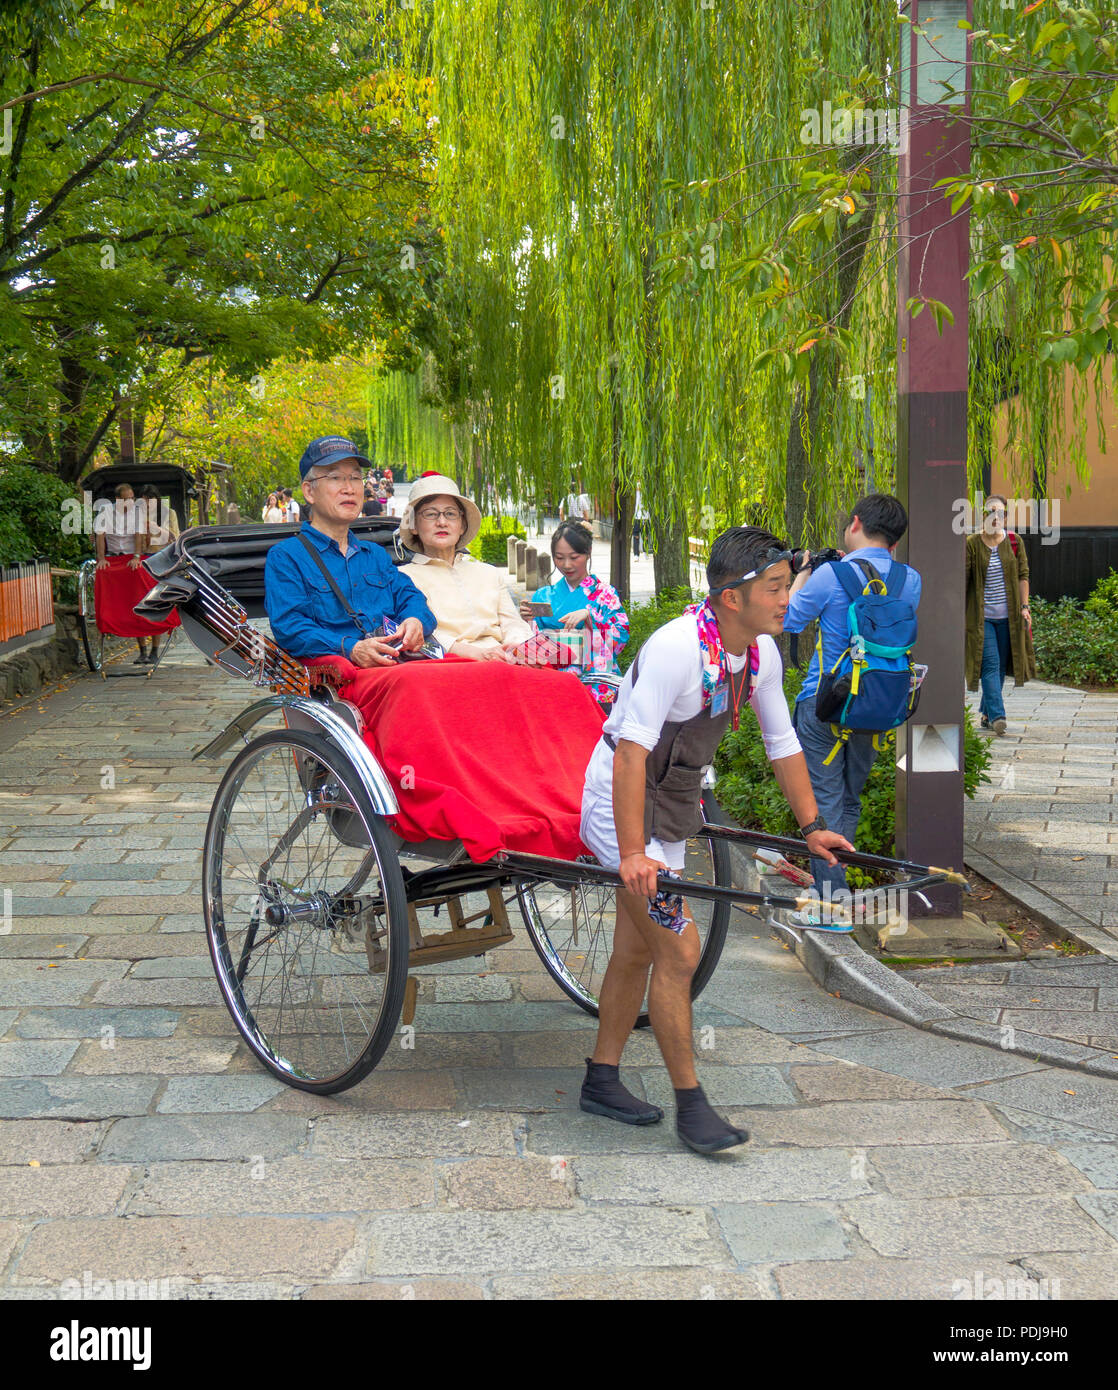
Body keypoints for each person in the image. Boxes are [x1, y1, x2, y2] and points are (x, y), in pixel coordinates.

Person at [578, 527, 853, 1154]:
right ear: (732, 597)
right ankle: (693, 1107)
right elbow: (628, 755)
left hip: (670, 802)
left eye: (788, 585)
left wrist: (811, 829)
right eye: (776, 588)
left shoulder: (759, 654)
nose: (788, 599)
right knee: (678, 949)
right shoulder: (677, 648)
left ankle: (601, 1077)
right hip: (615, 800)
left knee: (638, 946)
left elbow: (781, 742)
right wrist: (630, 854)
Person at [782, 494, 922, 916]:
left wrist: (806, 572)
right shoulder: (910, 580)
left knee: (821, 804)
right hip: (877, 704)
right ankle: (835, 890)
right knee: (848, 798)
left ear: (855, 522)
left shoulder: (830, 575)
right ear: (895, 542)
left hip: (824, 704)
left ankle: (831, 904)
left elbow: (788, 618)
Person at [264, 436, 436, 665]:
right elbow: (290, 627)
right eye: (335, 477)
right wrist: (350, 648)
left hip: (397, 663)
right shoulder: (286, 557)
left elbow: (409, 596)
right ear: (309, 491)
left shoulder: (374, 554)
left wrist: (415, 620)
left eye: (355, 477)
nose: (349, 488)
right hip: (345, 674)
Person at [400, 473, 532, 661]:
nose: (442, 522)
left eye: (451, 514)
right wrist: (473, 653)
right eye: (430, 514)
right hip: (449, 664)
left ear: (462, 525)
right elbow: (416, 635)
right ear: (413, 525)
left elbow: (512, 622)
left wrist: (516, 645)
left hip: (505, 658)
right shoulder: (403, 577)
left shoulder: (489, 573)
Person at [519, 520, 629, 679]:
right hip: (550, 676)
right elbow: (530, 641)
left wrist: (590, 617)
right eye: (559, 557)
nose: (567, 565)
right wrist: (526, 620)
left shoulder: (605, 594)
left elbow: (620, 638)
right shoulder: (542, 595)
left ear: (588, 552)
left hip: (591, 678)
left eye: (574, 557)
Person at [965, 493, 1035, 735]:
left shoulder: (1015, 542)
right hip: (982, 618)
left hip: (1009, 617)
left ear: (1005, 516)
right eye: (990, 512)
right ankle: (998, 716)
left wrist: (1025, 607)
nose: (996, 517)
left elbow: (1023, 575)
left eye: (1001, 513)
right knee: (991, 664)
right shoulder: (972, 543)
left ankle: (985, 713)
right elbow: (963, 579)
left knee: (1001, 666)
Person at [94, 482, 150, 664]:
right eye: (127, 499)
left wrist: (136, 556)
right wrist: (101, 558)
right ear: (117, 500)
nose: (131, 502)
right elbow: (100, 536)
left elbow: (138, 536)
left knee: (136, 596)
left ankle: (144, 647)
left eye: (132, 498)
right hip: (111, 557)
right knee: (104, 580)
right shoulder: (105, 512)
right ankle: (106, 622)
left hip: (130, 557)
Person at [136, 485, 181, 666]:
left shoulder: (168, 513)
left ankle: (155, 649)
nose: (147, 504)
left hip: (161, 560)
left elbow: (174, 537)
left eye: (150, 499)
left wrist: (154, 527)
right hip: (141, 560)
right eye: (144, 500)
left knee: (155, 603)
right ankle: (142, 650)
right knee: (137, 602)